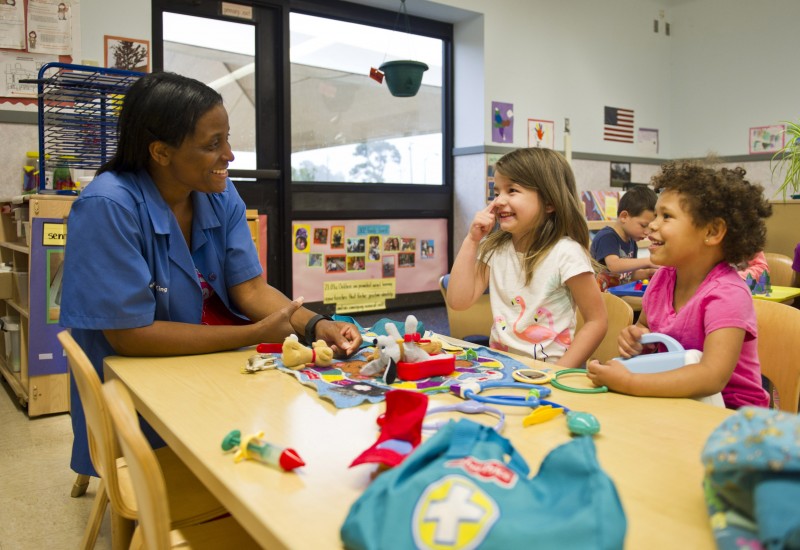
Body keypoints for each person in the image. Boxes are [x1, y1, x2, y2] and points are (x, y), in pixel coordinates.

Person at [60, 72, 362, 477]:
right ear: (161, 152)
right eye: (212, 144)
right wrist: (252, 336)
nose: (229, 156)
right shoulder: (108, 206)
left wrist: (316, 325)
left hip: (207, 360)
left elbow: (251, 289)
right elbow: (130, 336)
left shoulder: (218, 193)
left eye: (227, 139)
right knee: (232, 456)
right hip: (138, 383)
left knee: (297, 416)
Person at [587, 161, 771, 409]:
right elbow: (645, 327)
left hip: (732, 417)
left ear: (712, 232)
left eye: (667, 216)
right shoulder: (662, 278)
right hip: (682, 404)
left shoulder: (728, 294)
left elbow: (711, 377)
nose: (653, 224)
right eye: (655, 215)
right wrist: (638, 338)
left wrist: (631, 382)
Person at [446, 148, 607, 367]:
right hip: (502, 367)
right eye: (496, 192)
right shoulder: (494, 248)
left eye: (512, 190)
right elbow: (458, 301)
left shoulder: (566, 253)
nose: (499, 201)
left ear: (550, 202)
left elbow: (596, 321)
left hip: (549, 372)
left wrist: (556, 372)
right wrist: (471, 241)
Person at [590, 185, 659, 290]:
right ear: (624, 216)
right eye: (644, 226)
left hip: (618, 294)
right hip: (602, 297)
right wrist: (649, 261)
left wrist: (648, 272)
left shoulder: (632, 242)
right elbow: (614, 265)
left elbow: (629, 276)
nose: (647, 233)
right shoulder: (607, 237)